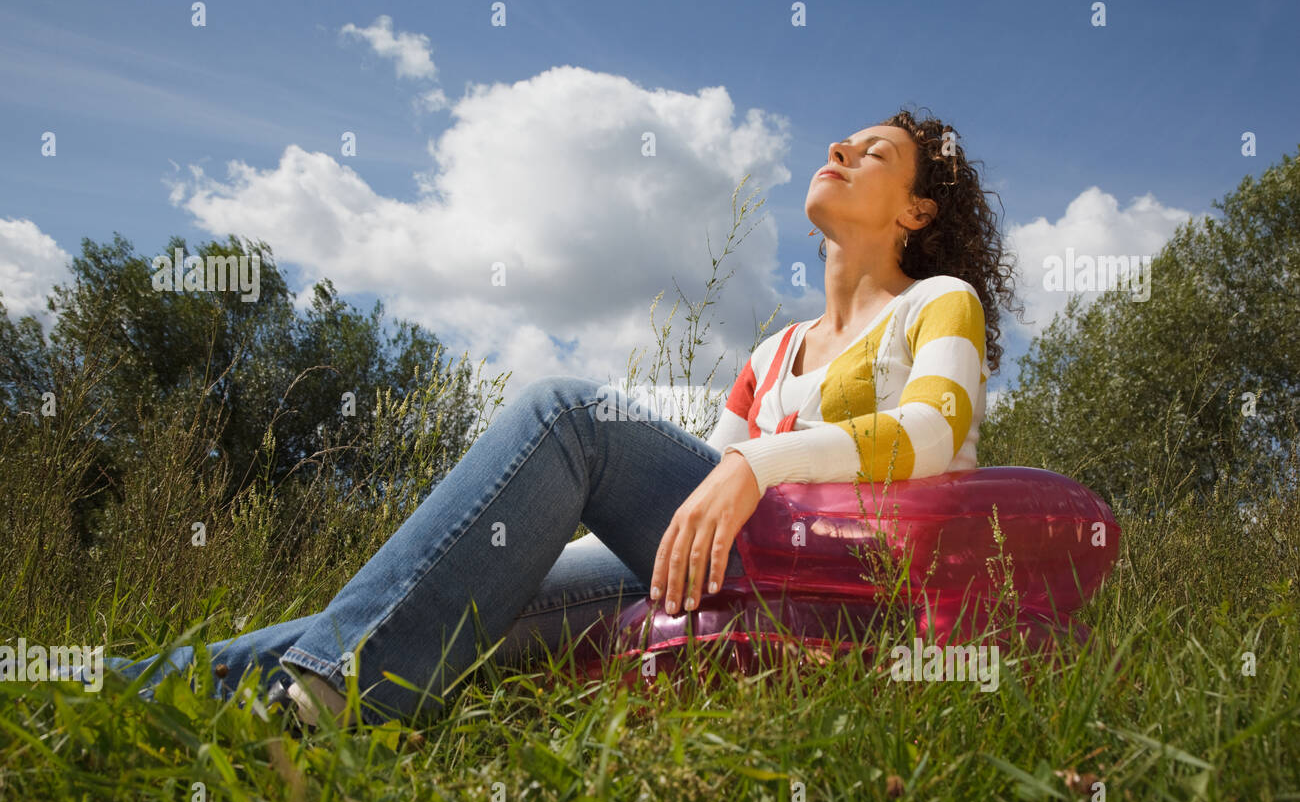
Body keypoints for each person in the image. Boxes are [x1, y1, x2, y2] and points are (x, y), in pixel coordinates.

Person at [94, 106, 1017, 731]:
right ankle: (137, 691)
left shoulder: (938, 300)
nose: (842, 152)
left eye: (876, 155)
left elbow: (933, 434)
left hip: (848, 577)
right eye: (842, 142)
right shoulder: (770, 354)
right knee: (466, 585)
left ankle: (321, 697)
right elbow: (698, 504)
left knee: (571, 414)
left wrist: (756, 468)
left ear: (917, 209)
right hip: (737, 564)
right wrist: (731, 472)